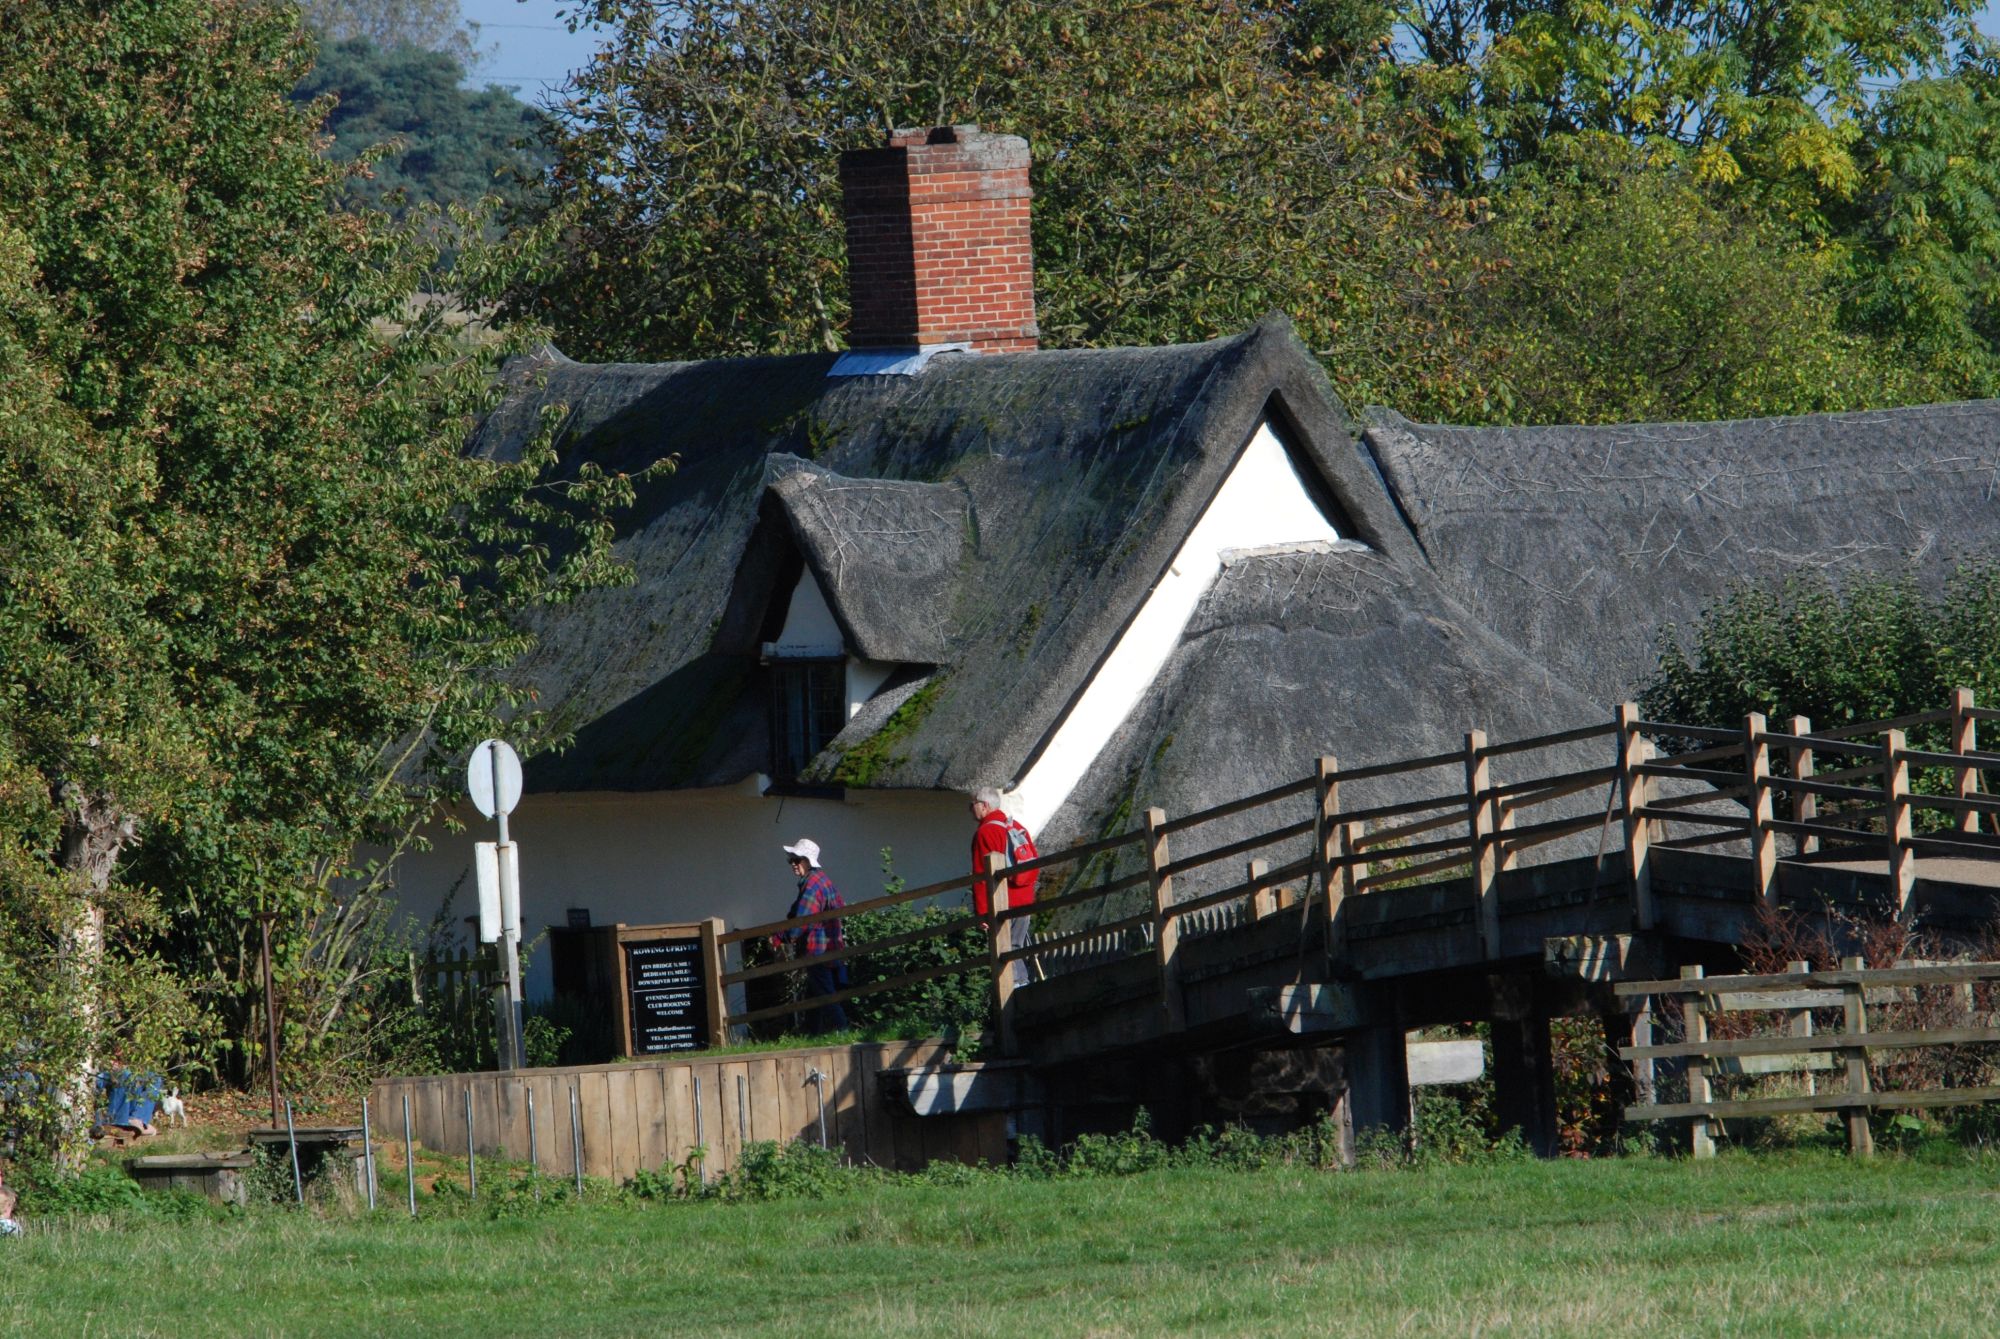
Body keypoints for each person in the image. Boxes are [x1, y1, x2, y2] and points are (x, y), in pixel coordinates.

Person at [773, 838, 848, 1035]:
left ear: (807, 861)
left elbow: (802, 918)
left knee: (826, 997)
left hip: (817, 950)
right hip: (831, 948)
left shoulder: (812, 885)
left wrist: (783, 937)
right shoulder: (824, 880)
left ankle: (845, 1034)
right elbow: (840, 906)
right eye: (791, 860)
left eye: (796, 860)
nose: (793, 864)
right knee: (815, 995)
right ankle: (812, 1034)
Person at [969, 788, 1039, 987]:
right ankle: (1024, 985)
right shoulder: (1015, 826)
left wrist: (982, 911)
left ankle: (1016, 990)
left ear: (984, 806)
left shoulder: (985, 832)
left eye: (972, 805)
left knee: (1004, 948)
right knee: (1016, 945)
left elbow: (981, 875)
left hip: (1004, 901)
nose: (970, 810)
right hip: (1024, 896)